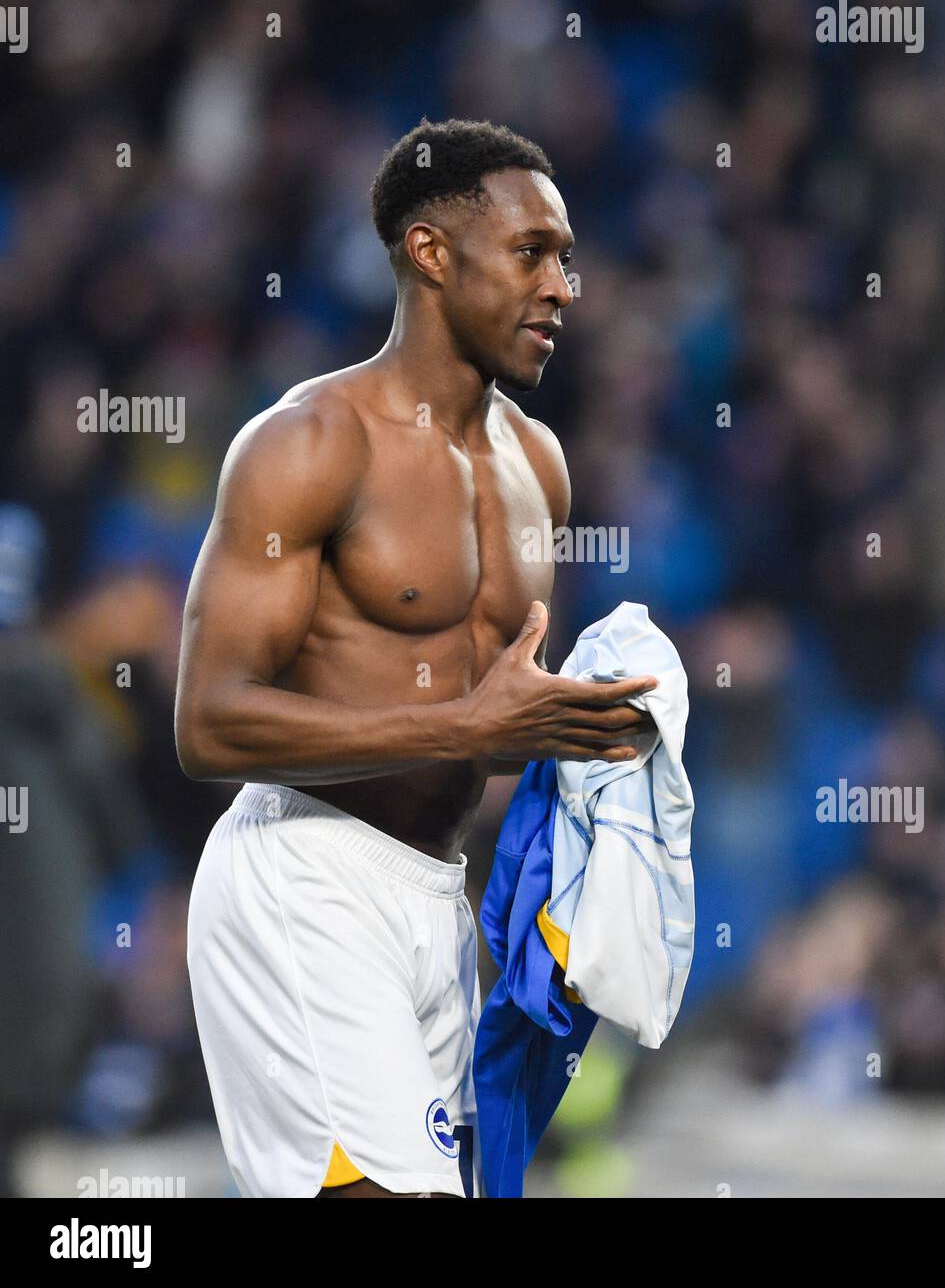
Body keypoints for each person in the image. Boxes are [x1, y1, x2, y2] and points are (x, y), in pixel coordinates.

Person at [176, 117, 656, 1199]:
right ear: (431, 253)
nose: (564, 288)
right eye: (532, 253)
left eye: (568, 258)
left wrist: (606, 742)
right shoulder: (307, 443)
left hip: (436, 900)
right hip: (304, 874)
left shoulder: (542, 465)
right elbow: (207, 723)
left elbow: (509, 703)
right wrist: (467, 728)